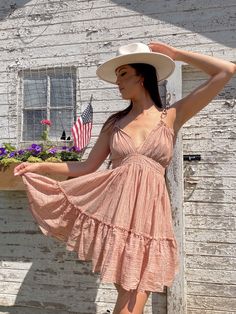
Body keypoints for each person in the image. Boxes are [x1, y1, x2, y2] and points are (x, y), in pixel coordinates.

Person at [14, 41, 235, 314]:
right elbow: (85, 168)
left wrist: (175, 55)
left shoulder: (171, 116)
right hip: (118, 216)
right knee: (127, 297)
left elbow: (225, 71)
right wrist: (40, 168)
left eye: (123, 74)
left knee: (131, 304)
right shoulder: (115, 123)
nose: (117, 82)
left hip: (149, 220)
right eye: (117, 75)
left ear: (142, 75)